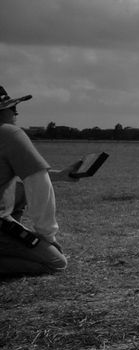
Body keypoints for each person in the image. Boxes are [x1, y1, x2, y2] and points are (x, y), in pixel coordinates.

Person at [0, 85, 68, 278]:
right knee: (56, 263)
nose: (16, 112)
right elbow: (38, 182)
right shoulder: (9, 133)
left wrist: (61, 175)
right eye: (11, 108)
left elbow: (18, 174)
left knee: (18, 191)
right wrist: (47, 236)